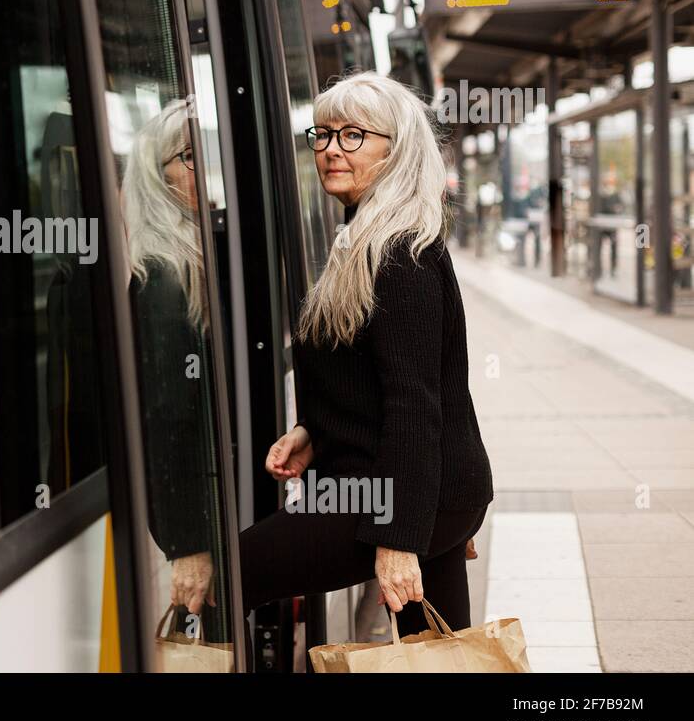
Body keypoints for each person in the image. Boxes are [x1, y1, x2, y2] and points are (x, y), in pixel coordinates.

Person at [238, 72, 494, 639]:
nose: (331, 149)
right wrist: (312, 431)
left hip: (392, 493)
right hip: (422, 488)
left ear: (395, 149)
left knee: (230, 576)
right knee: (439, 652)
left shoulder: (398, 254)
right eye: (323, 133)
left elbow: (415, 401)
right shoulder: (366, 236)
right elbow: (377, 376)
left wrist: (402, 539)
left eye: (353, 135)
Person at [123, 99, 225, 640]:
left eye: (199, 155)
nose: (198, 169)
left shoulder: (193, 255)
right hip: (198, 518)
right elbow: (168, 420)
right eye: (185, 158)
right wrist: (188, 545)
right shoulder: (162, 277)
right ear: (154, 176)